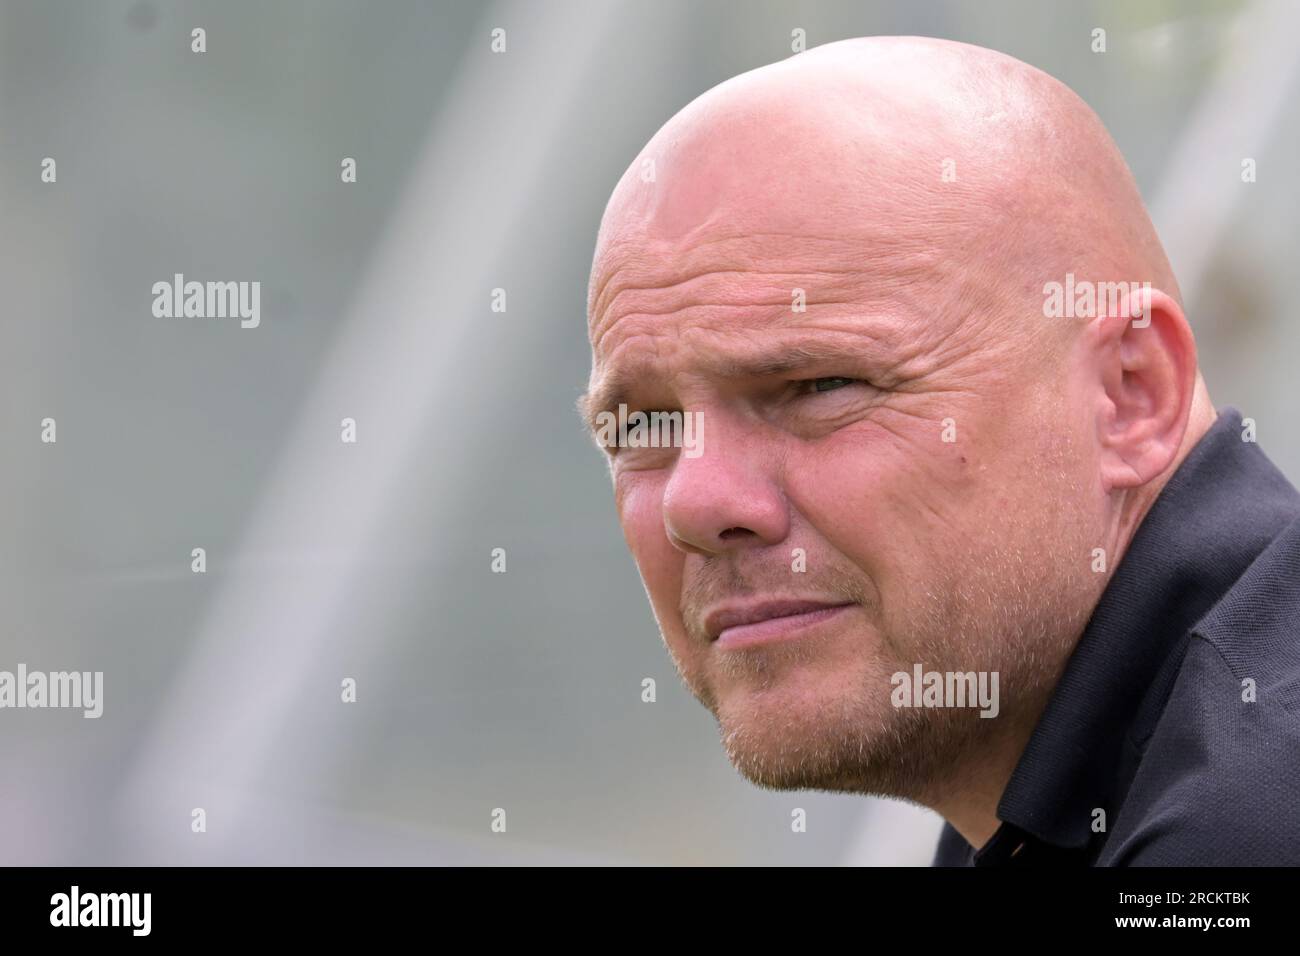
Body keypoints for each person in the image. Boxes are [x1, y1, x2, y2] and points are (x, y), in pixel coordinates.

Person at [578, 36, 1300, 865]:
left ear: (1131, 398)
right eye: (643, 427)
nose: (694, 504)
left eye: (821, 386)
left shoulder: (1246, 826)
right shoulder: (1049, 775)